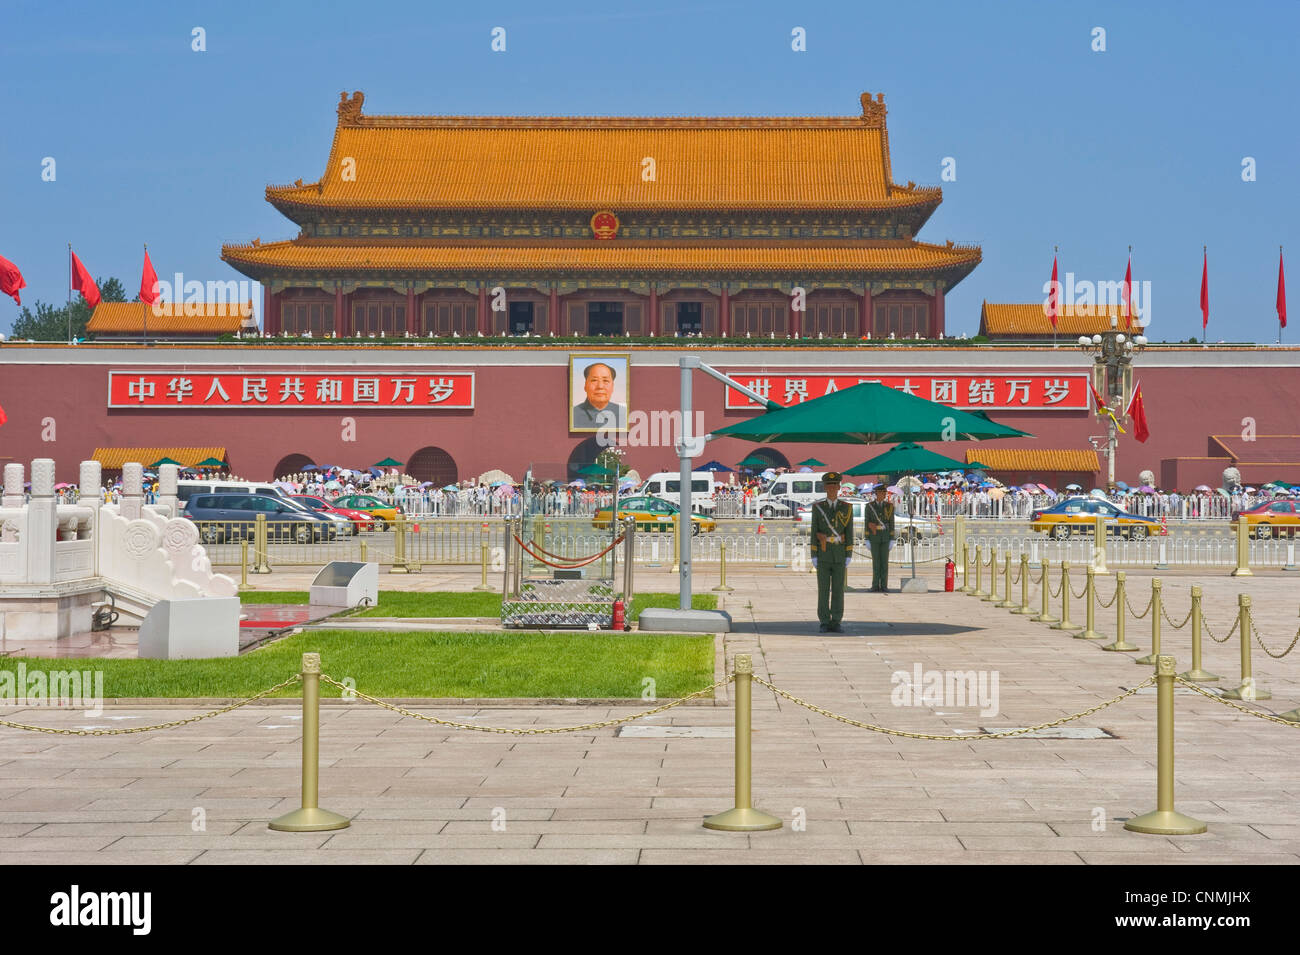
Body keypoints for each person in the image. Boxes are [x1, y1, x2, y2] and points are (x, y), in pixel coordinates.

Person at [810, 472, 854, 633]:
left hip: (839, 553)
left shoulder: (847, 508)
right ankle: (824, 620)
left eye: (834, 485)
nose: (832, 488)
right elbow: (814, 531)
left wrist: (849, 554)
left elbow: (849, 532)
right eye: (829, 485)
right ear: (824, 488)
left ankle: (836, 621)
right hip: (823, 554)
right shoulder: (818, 508)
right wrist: (813, 554)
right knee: (823, 590)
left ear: (839, 487)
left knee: (838, 589)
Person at [572, 361, 626, 430]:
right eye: (594, 380)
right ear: (585, 386)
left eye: (605, 381)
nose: (600, 386)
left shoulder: (623, 414)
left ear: (612, 386)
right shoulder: (573, 414)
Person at [864, 484, 895, 593]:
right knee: (876, 563)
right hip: (874, 537)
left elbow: (891, 523)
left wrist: (892, 538)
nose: (882, 495)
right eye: (880, 493)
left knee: (884, 563)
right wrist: (867, 538)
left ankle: (884, 585)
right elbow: (866, 522)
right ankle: (875, 585)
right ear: (876, 494)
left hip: (885, 537)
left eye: (884, 493)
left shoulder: (889, 506)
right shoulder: (869, 506)